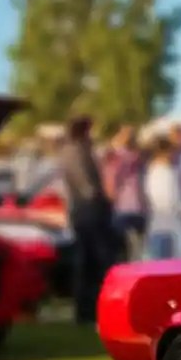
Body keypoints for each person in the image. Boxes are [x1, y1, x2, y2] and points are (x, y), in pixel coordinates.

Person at [59, 116, 114, 324]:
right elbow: (87, 185)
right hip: (89, 210)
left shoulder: (68, 151)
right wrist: (102, 200)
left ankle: (86, 309)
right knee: (96, 261)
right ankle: (91, 308)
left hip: (79, 211)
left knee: (86, 261)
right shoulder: (78, 151)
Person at [143, 136, 181, 259]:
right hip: (169, 225)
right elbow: (171, 200)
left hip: (159, 225)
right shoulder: (164, 172)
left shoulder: (152, 170)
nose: (175, 156)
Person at [100, 124, 146, 262]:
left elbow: (111, 182)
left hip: (122, 207)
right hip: (139, 205)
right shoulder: (139, 157)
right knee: (139, 247)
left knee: (122, 250)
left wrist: (109, 197)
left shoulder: (116, 157)